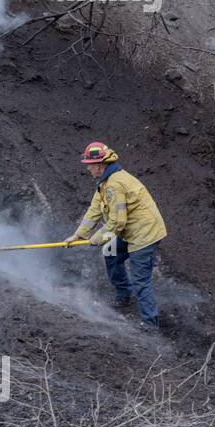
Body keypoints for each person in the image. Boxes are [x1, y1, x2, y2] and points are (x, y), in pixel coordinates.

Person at [63, 141, 168, 332]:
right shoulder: (105, 183)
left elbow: (117, 222)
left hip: (144, 234)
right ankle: (123, 295)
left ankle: (150, 324)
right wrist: (78, 235)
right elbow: (94, 210)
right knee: (111, 253)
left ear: (99, 165)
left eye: (89, 164)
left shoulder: (114, 185)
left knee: (141, 279)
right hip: (130, 230)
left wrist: (97, 238)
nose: (87, 168)